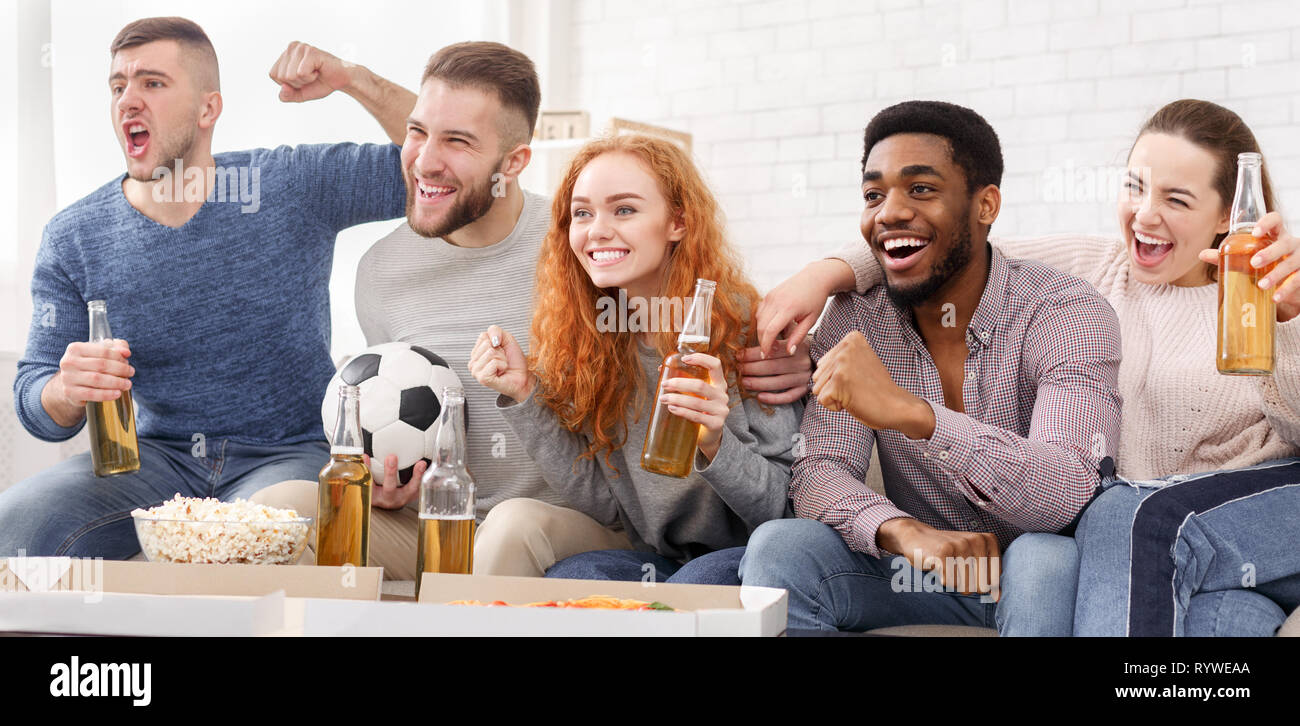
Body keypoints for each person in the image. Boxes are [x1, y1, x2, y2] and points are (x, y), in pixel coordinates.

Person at [251, 43, 812, 580]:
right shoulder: (380, 271)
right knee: (278, 511)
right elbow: (390, 402)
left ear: (516, 160)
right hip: (440, 516)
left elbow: (692, 327)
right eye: (416, 132)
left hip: (564, 522)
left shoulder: (586, 258)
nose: (426, 160)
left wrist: (794, 355)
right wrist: (386, 472)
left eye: (459, 141)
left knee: (513, 527)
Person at [764, 98, 1300, 636]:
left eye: (1176, 199)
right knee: (766, 553)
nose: (1144, 215)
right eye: (1135, 188)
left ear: (1229, 215)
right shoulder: (1099, 264)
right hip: (1021, 558)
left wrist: (913, 413)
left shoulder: (1246, 301)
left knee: (1078, 551)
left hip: (1181, 533)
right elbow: (938, 244)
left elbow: (1071, 487)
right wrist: (824, 274)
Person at [0, 17, 413, 559]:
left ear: (208, 109)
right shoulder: (74, 236)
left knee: (252, 543)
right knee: (14, 527)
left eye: (152, 82)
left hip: (287, 455)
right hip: (153, 462)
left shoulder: (287, 185)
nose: (128, 100)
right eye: (118, 86)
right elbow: (36, 401)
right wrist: (64, 389)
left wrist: (354, 79)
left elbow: (433, 164)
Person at [736, 100, 1124, 633]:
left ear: (985, 205)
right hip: (923, 571)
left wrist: (914, 414)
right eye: (874, 195)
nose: (888, 213)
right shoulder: (857, 318)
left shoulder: (1064, 310)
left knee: (1043, 557)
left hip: (1041, 572)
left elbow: (1070, 490)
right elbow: (819, 471)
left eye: (920, 189)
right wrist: (902, 531)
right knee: (781, 547)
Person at [467, 134, 801, 585]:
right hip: (654, 557)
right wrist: (526, 393)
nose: (597, 230)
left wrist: (715, 442)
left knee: (695, 582)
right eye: (582, 213)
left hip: (751, 555)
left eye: (624, 210)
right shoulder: (591, 341)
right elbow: (609, 506)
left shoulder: (748, 334)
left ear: (678, 223)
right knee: (575, 577)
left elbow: (784, 511)